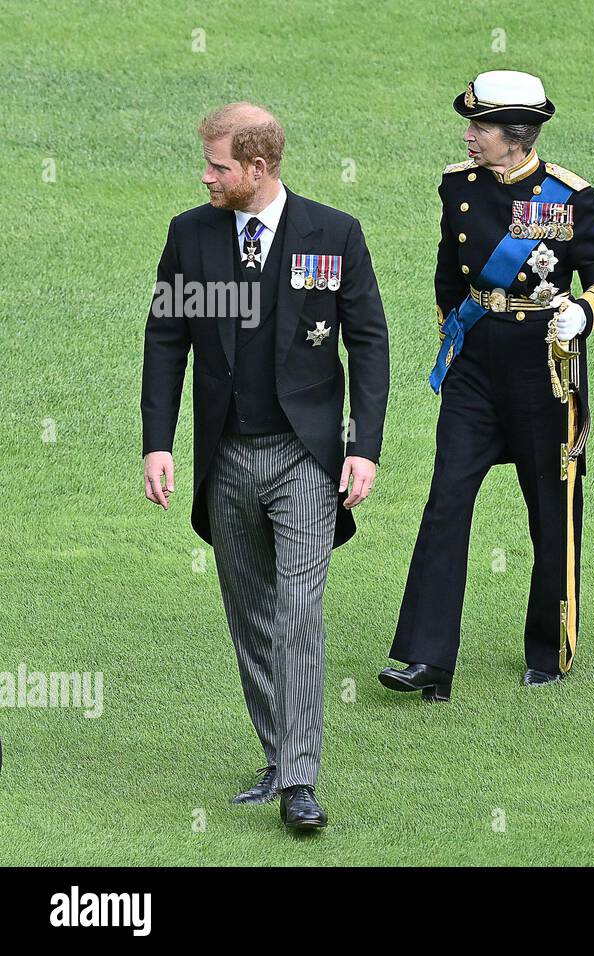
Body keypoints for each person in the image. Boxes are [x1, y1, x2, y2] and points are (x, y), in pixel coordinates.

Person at [141, 103, 390, 830]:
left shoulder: (334, 234)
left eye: (218, 165)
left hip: (307, 459)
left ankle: (301, 782)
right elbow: (165, 338)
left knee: (298, 611)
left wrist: (364, 446)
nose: (207, 176)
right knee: (250, 613)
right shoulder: (190, 235)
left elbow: (368, 342)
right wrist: (158, 441)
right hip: (225, 459)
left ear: (258, 167)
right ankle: (279, 755)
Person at [379, 71, 594, 699]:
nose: (468, 137)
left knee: (551, 509)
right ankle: (428, 660)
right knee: (445, 502)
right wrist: (453, 339)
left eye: (479, 127)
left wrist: (582, 313)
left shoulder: (569, 197)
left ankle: (549, 645)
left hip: (544, 371)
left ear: (516, 137)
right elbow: (447, 273)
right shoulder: (456, 187)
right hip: (477, 371)